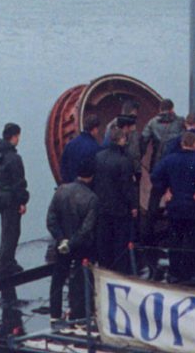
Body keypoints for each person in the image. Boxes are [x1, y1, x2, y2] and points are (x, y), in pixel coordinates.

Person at [150, 131, 195, 283]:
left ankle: (175, 273)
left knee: (175, 241)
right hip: (194, 208)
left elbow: (155, 176)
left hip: (175, 207)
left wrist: (164, 190)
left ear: (181, 144)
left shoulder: (169, 160)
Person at [46, 166, 98, 328]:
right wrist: (72, 242)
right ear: (91, 177)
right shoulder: (91, 198)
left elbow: (51, 219)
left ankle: (54, 314)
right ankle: (78, 314)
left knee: (58, 279)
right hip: (81, 246)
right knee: (81, 279)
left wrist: (62, 239)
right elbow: (86, 228)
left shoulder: (61, 191)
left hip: (62, 245)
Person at [92, 124, 139, 272]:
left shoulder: (98, 157)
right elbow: (127, 187)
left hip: (102, 206)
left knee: (104, 241)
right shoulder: (124, 160)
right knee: (120, 242)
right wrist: (133, 206)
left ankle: (105, 269)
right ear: (120, 140)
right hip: (119, 208)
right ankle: (120, 271)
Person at [0, 122, 30, 278]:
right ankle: (6, 263)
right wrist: (23, 202)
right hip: (11, 199)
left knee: (6, 229)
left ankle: (6, 260)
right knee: (12, 231)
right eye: (18, 136)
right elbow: (20, 183)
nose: (19, 139)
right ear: (14, 136)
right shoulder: (14, 158)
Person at [59, 114, 101, 184]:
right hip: (86, 190)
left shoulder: (69, 145)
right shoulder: (95, 147)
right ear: (94, 129)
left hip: (70, 188)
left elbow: (63, 169)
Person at [140, 99, 183, 168]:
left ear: (160, 109)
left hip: (158, 161)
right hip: (176, 161)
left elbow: (144, 141)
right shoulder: (180, 121)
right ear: (172, 109)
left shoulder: (152, 122)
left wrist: (139, 158)